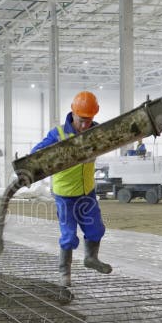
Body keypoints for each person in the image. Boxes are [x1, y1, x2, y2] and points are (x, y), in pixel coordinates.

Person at [31, 90, 112, 288]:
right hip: (65, 195)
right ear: (73, 113)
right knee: (68, 236)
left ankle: (90, 258)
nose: (85, 124)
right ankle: (64, 274)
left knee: (96, 229)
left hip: (87, 193)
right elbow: (36, 154)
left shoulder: (97, 132)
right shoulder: (58, 134)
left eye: (89, 120)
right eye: (81, 119)